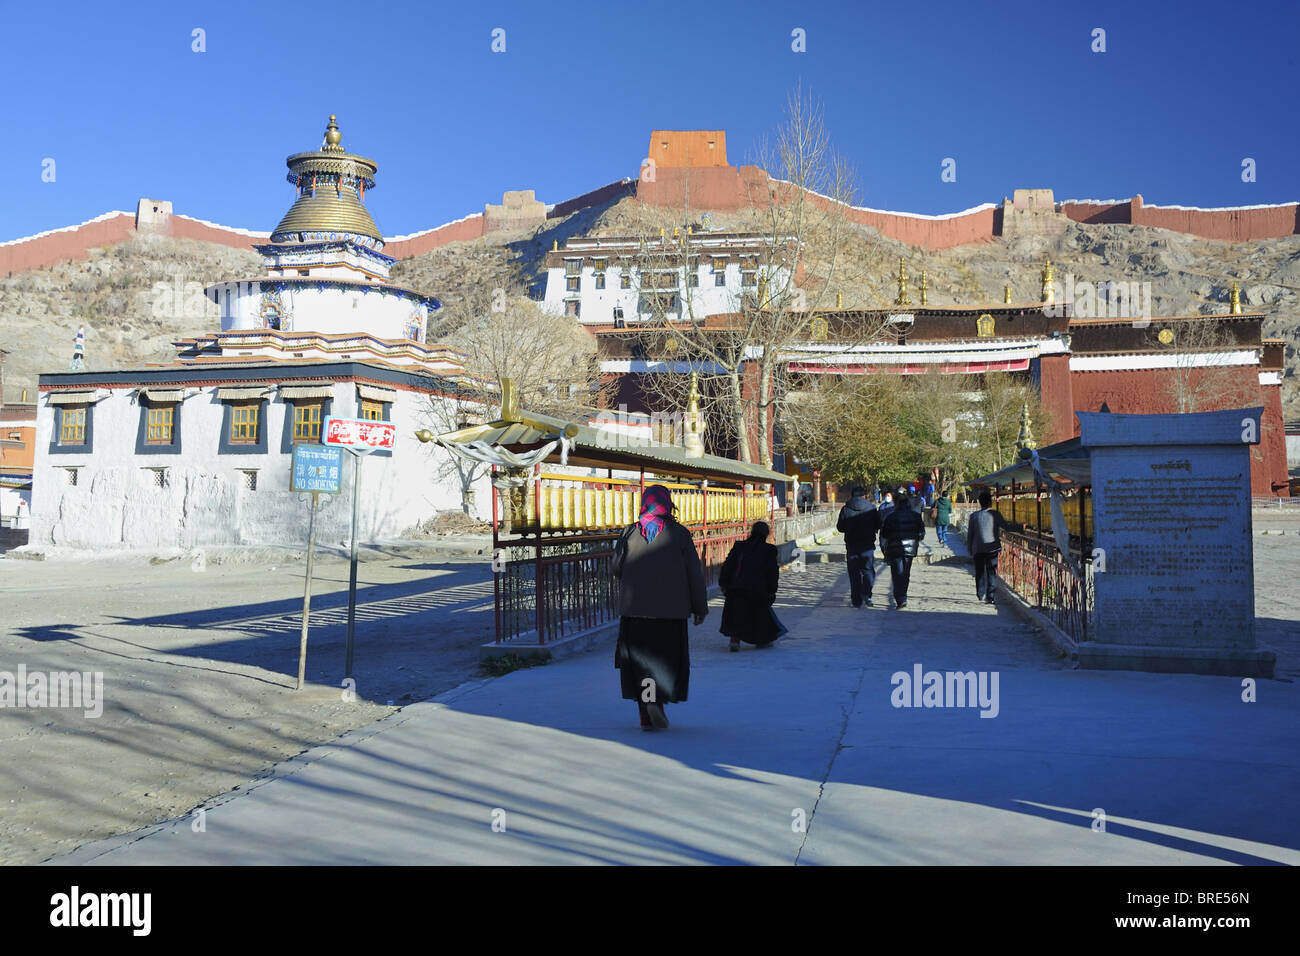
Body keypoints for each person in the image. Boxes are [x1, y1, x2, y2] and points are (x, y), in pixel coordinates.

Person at [611, 484, 707, 730]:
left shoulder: (629, 533)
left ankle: (646, 710)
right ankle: (658, 702)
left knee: (641, 663)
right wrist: (700, 608)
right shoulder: (679, 534)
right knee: (664, 661)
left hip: (635, 613)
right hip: (670, 613)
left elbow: (615, 569)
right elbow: (694, 574)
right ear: (666, 502)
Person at [718, 521, 780, 651]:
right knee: (759, 615)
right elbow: (772, 572)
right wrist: (772, 590)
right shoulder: (769, 550)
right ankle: (761, 639)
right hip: (758, 590)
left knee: (736, 614)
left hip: (736, 588)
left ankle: (734, 640)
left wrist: (724, 583)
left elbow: (728, 566)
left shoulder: (740, 546)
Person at [836, 486, 882, 608]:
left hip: (852, 545)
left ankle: (856, 600)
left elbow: (840, 527)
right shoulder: (871, 508)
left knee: (854, 573)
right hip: (867, 545)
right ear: (864, 496)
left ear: (852, 495)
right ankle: (867, 595)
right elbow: (878, 524)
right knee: (868, 570)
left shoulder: (846, 509)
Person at [880, 488, 925, 609]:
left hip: (895, 549)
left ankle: (900, 598)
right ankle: (903, 595)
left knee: (897, 573)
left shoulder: (891, 516)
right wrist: (915, 540)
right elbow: (921, 533)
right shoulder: (915, 516)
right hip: (910, 549)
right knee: (906, 573)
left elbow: (884, 534)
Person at [966, 490, 1006, 605]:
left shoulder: (973, 516)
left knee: (979, 572)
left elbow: (970, 534)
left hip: (977, 548)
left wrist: (970, 548)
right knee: (991, 572)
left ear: (980, 502)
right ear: (990, 502)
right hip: (992, 548)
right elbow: (1006, 526)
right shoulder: (995, 514)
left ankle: (980, 593)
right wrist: (1020, 527)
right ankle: (990, 596)